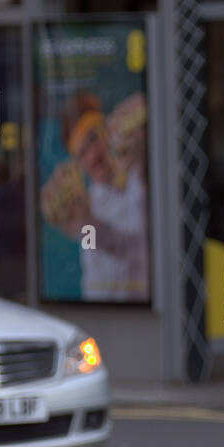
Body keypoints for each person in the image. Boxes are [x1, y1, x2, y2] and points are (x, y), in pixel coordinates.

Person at [41, 91, 149, 302]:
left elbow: (145, 252)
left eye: (93, 138)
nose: (93, 155)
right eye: (82, 153)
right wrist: (82, 225)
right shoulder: (91, 204)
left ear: (106, 130)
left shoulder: (140, 176)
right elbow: (97, 249)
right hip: (107, 314)